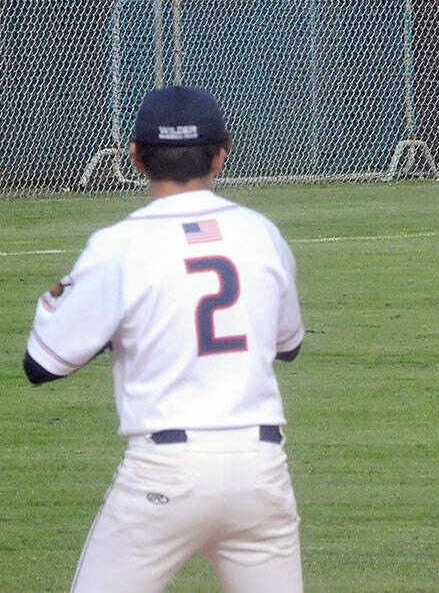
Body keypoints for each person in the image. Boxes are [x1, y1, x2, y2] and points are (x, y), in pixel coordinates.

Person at [23, 85, 306, 592]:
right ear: (222, 155)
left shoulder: (119, 245)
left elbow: (43, 365)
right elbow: (289, 346)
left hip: (165, 471)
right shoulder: (261, 232)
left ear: (135, 156)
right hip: (260, 468)